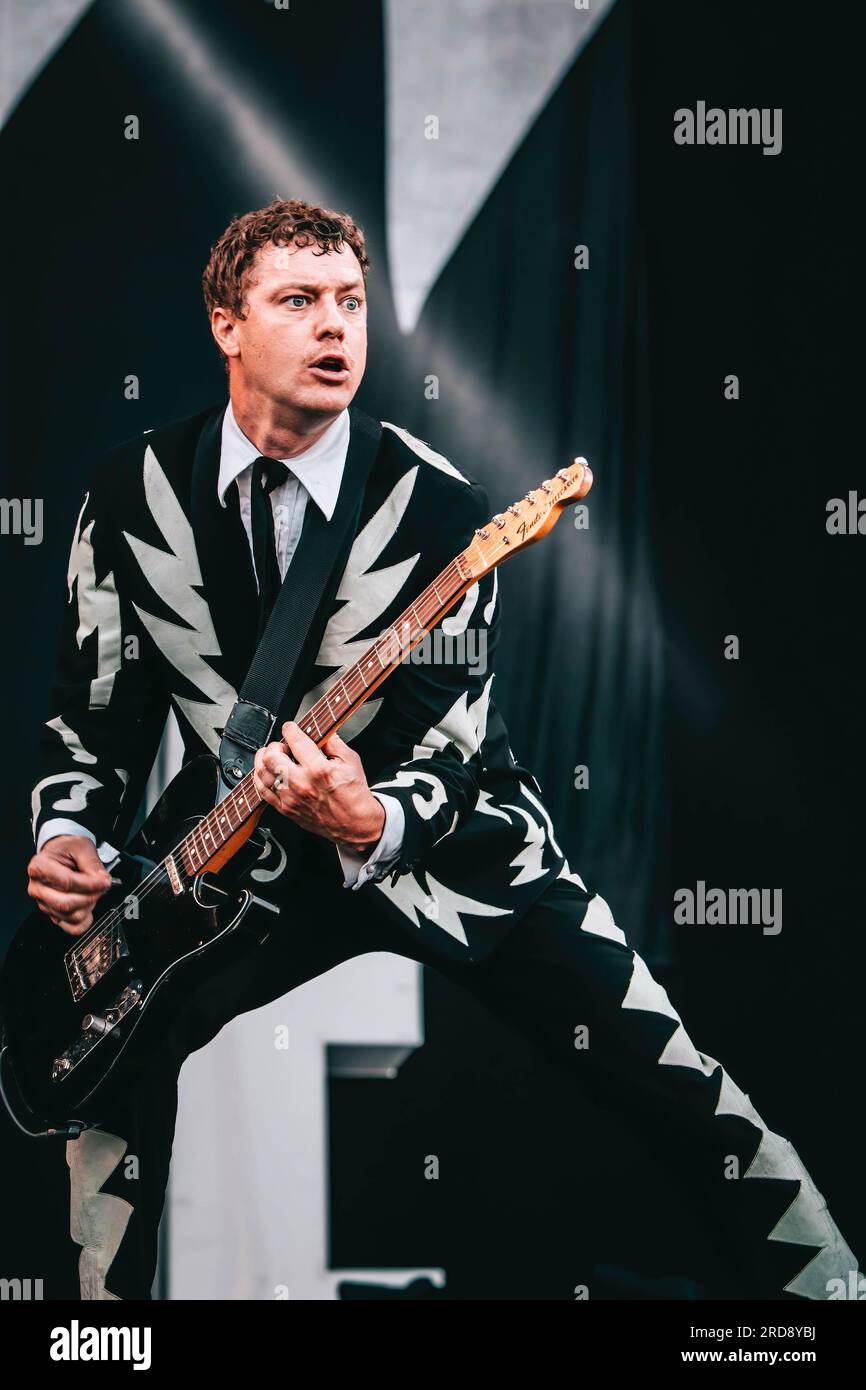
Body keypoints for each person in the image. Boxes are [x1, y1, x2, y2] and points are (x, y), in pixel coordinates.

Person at [26, 198, 858, 1301]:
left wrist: (371, 819)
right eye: (298, 301)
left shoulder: (440, 507)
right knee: (106, 1078)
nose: (336, 328)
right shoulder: (126, 497)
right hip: (230, 869)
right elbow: (92, 712)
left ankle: (831, 1294)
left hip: (447, 846)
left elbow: (453, 747)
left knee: (660, 1070)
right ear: (226, 323)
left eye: (351, 304)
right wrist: (69, 831)